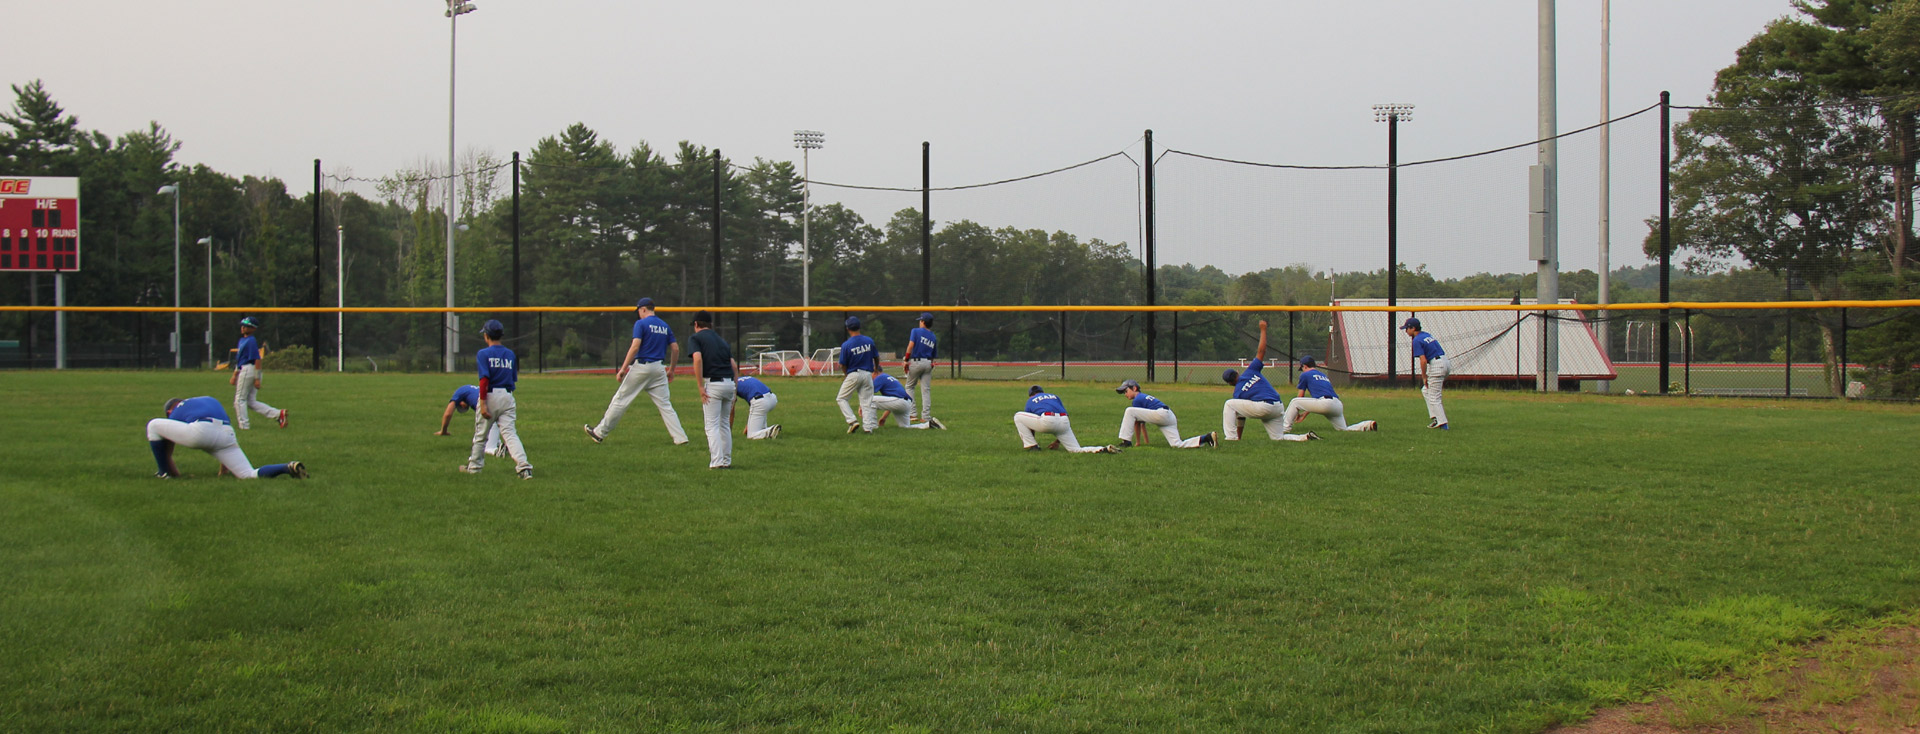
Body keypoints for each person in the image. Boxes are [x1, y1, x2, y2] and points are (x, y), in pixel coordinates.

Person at [585, 297, 689, 446]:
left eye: (639, 311)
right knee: (665, 405)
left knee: (621, 400)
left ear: (643, 309)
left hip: (642, 367)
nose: (639, 314)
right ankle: (680, 438)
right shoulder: (664, 325)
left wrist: (623, 368)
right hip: (659, 368)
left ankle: (599, 433)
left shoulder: (641, 324)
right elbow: (675, 348)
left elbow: (635, 347)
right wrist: (672, 369)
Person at [147, 396, 306, 479]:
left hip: (201, 431)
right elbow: (216, 433)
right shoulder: (207, 399)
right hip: (227, 434)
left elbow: (167, 451)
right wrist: (225, 465)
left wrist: (173, 473)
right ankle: (287, 467)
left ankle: (163, 474)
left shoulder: (176, 411)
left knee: (153, 425)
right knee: (248, 474)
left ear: (169, 411)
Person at [1221, 320, 1319, 442]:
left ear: (1230, 383)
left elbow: (1241, 418)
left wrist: (1238, 437)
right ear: (1237, 372)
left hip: (1264, 407)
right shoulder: (1251, 370)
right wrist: (1263, 330)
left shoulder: (1237, 393)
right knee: (1278, 438)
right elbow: (1261, 351)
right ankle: (1305, 437)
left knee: (1229, 404)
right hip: (1277, 407)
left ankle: (1231, 438)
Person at [459, 320, 533, 479]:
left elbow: (484, 379)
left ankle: (474, 468)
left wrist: (483, 403)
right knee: (510, 434)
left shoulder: (483, 354)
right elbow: (513, 380)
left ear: (486, 336)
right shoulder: (510, 354)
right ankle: (524, 466)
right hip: (507, 396)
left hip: (490, 395)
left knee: (481, 435)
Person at [687, 311, 738, 469]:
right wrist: (735, 390)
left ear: (696, 324)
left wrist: (700, 386)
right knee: (724, 424)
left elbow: (697, 358)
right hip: (729, 384)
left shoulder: (695, 338)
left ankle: (716, 462)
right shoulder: (722, 341)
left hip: (713, 384)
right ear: (711, 325)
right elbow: (734, 366)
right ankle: (726, 460)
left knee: (711, 425)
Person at [1279, 355, 1380, 434]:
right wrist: (1304, 414)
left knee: (1295, 402)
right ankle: (1367, 425)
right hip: (1337, 405)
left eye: (1302, 368)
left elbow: (1300, 396)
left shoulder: (1305, 374)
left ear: (1304, 366)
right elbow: (1316, 401)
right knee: (1343, 430)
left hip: (1325, 403)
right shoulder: (1323, 375)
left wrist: (1297, 413)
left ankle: (1284, 429)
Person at [1014, 385, 1121, 454]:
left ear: (1030, 395)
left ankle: (1033, 447)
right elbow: (1063, 415)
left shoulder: (1031, 400)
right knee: (1076, 450)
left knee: (1018, 416)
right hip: (1064, 421)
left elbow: (1029, 425)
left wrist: (1033, 441)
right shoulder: (1054, 396)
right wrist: (1058, 441)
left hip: (1047, 420)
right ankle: (1103, 449)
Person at [1113, 379, 1215, 448]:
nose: (1125, 394)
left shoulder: (1137, 399)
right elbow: (1140, 422)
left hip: (1161, 414)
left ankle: (1126, 441)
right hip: (1169, 415)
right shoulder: (1143, 397)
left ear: (1134, 388)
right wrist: (1144, 442)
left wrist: (1138, 442)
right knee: (1176, 444)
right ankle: (1206, 438)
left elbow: (1137, 423)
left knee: (1129, 411)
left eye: (1126, 391)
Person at [229, 316, 287, 430]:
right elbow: (240, 359)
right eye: (243, 325)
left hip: (250, 369)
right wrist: (235, 374)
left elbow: (257, 359)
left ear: (252, 328)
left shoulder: (251, 341)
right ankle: (277, 414)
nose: (243, 328)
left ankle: (244, 426)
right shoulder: (242, 340)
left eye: (246, 326)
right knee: (250, 401)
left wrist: (256, 378)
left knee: (239, 400)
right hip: (246, 369)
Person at [1404, 317, 1450, 429]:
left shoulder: (1416, 340)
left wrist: (1424, 377)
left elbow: (1423, 360)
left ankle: (1443, 424)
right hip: (1445, 362)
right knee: (1426, 391)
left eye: (1407, 328)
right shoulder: (1426, 334)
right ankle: (1436, 418)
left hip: (1437, 365)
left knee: (1434, 396)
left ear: (1413, 328)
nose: (1406, 331)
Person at [836, 316, 879, 434]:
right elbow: (876, 356)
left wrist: (846, 375)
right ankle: (868, 428)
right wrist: (876, 367)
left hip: (854, 373)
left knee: (841, 398)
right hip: (867, 374)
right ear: (859, 327)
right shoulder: (869, 341)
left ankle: (852, 421)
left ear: (848, 329)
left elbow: (843, 364)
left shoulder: (846, 344)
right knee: (867, 402)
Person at [436, 384, 503, 457]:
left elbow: (448, 414)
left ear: (460, 402)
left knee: (485, 448)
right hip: (500, 402)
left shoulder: (458, 393)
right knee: (479, 439)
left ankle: (495, 450)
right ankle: (501, 445)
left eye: (463, 406)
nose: (465, 406)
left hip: (490, 408)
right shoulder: (470, 391)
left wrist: (443, 430)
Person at [871, 367, 946, 430]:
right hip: (905, 403)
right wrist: (884, 418)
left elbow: (868, 392)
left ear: (875, 372)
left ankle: (872, 426)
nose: (870, 376)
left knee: (870, 400)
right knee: (906, 427)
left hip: (900, 402)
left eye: (870, 374)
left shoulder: (880, 377)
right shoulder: (887, 377)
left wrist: (862, 406)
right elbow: (891, 402)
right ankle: (930, 424)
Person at [901, 312, 938, 424]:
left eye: (920, 320)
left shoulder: (915, 331)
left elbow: (910, 346)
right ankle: (926, 416)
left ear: (923, 322)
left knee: (909, 387)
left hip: (916, 362)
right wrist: (930, 364)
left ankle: (912, 414)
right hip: (928, 363)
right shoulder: (933, 336)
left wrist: (906, 360)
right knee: (926, 390)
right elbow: (933, 356)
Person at [735, 375, 782, 440]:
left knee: (751, 435)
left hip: (760, 402)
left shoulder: (732, 384)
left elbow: (731, 408)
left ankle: (770, 431)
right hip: (772, 398)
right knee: (760, 428)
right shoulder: (747, 377)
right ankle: (766, 430)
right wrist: (749, 425)